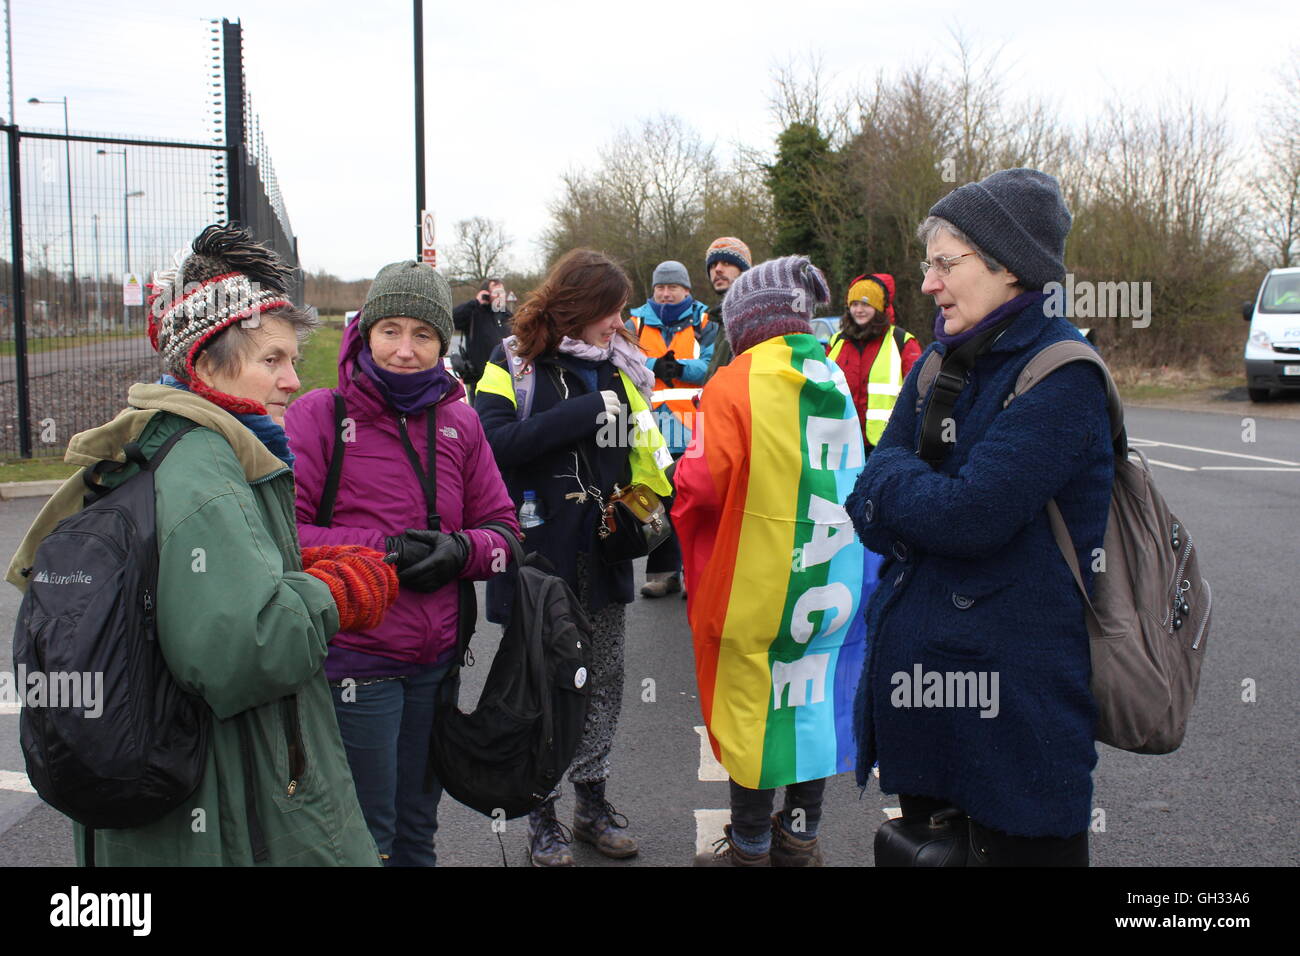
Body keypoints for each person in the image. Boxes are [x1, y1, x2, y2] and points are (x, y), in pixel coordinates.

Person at [6, 224, 396, 865]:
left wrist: (287, 568)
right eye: (273, 360)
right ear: (205, 360)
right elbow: (248, 650)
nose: (293, 381)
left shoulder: (161, 442)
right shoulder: (206, 467)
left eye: (292, 360)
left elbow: (196, 589)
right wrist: (336, 593)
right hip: (221, 809)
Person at [845, 168, 1115, 866]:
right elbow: (863, 502)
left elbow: (970, 517)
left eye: (946, 262)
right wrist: (908, 486)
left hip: (1014, 730)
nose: (929, 282)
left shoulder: (1063, 376)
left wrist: (899, 480)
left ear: (1011, 268)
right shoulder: (938, 361)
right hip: (927, 714)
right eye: (927, 263)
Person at [285, 261, 520, 866]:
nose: (405, 350)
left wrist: (460, 552)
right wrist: (385, 551)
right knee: (367, 834)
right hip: (355, 663)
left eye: (423, 335)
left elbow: (505, 533)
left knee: (418, 829)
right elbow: (284, 535)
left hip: (437, 663)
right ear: (365, 332)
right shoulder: (320, 415)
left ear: (444, 342)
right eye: (390, 330)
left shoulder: (461, 421)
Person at [475, 248, 673, 866]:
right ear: (580, 307)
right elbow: (494, 443)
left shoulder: (622, 368)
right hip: (538, 554)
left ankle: (591, 804)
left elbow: (639, 453)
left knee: (605, 683)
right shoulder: (511, 360)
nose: (619, 323)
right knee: (540, 686)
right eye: (610, 311)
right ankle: (543, 814)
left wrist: (654, 499)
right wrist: (583, 413)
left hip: (604, 550)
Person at [674, 255, 868, 866]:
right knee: (811, 709)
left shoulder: (733, 382)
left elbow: (701, 484)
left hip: (756, 587)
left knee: (753, 709)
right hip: (831, 577)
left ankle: (752, 845)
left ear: (747, 325)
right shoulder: (832, 377)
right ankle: (801, 841)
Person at [626, 260, 715, 597]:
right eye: (660, 287)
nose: (665, 293)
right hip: (651, 425)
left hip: (694, 424)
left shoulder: (704, 320)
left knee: (695, 501)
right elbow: (620, 357)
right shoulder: (633, 321)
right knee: (654, 501)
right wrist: (652, 365)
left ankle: (694, 573)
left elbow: (712, 362)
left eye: (672, 287)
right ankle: (664, 574)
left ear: (686, 290)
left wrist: (679, 368)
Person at [826, 273, 923, 451]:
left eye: (866, 304)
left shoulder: (902, 342)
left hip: (886, 443)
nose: (859, 310)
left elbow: (920, 394)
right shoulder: (836, 342)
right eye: (854, 304)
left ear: (878, 307)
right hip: (841, 441)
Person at [452, 276, 513, 399]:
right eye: (496, 292)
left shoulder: (507, 315)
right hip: (481, 379)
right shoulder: (475, 313)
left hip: (506, 377)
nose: (500, 296)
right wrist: (475, 302)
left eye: (502, 292)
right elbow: (452, 318)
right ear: (486, 294)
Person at [701, 236, 752, 381]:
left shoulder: (752, 317)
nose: (717, 269)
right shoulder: (722, 318)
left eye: (726, 263)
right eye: (712, 265)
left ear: (744, 271)